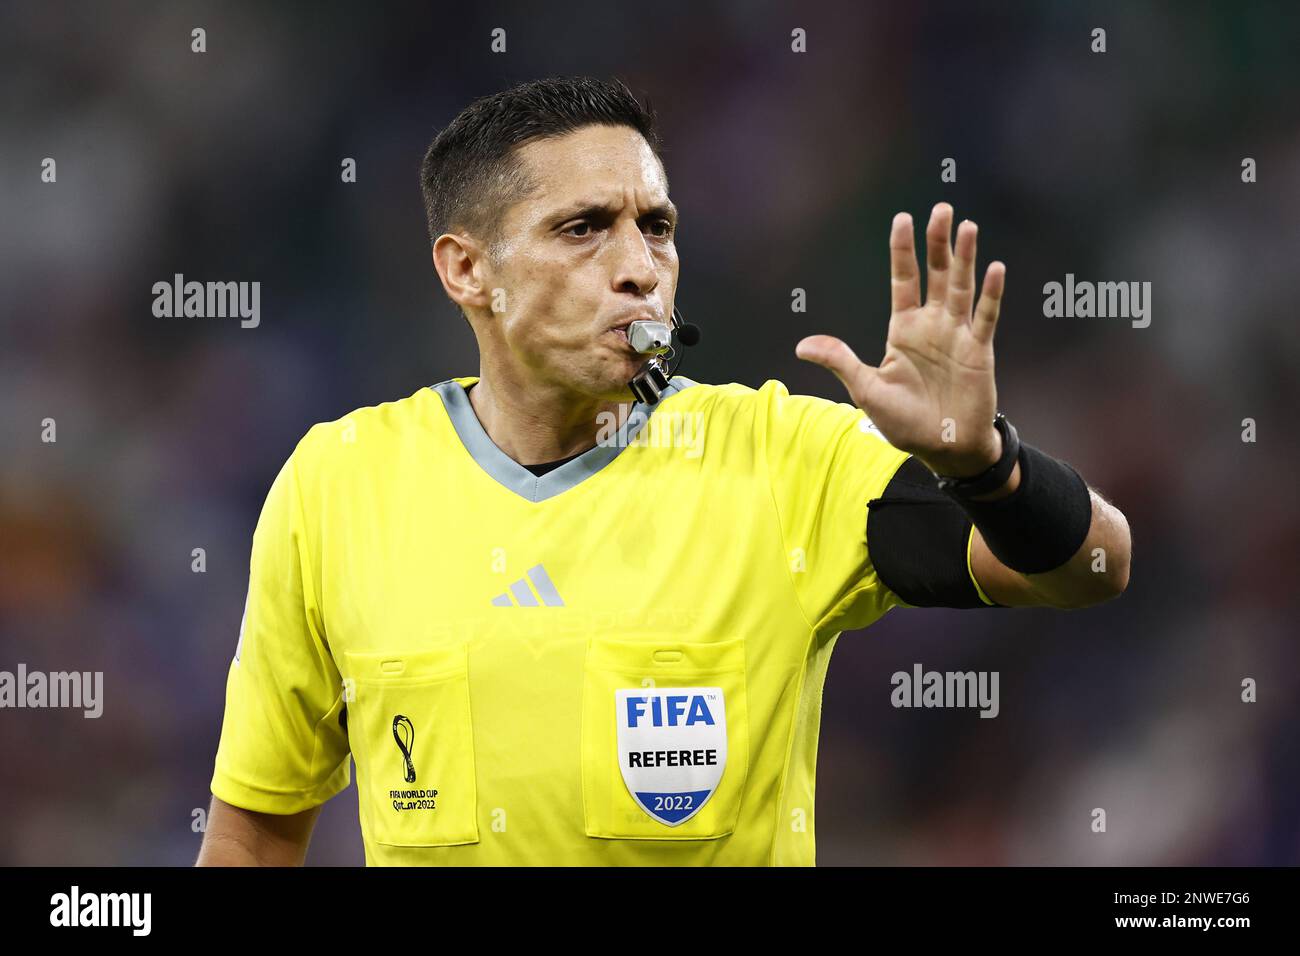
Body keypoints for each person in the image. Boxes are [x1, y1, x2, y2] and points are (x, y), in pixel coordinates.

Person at [197, 76, 1130, 867]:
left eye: (658, 226)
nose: (640, 267)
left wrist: (987, 464)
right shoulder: (339, 485)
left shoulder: (781, 462)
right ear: (468, 271)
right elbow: (258, 826)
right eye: (583, 229)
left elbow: (1095, 565)